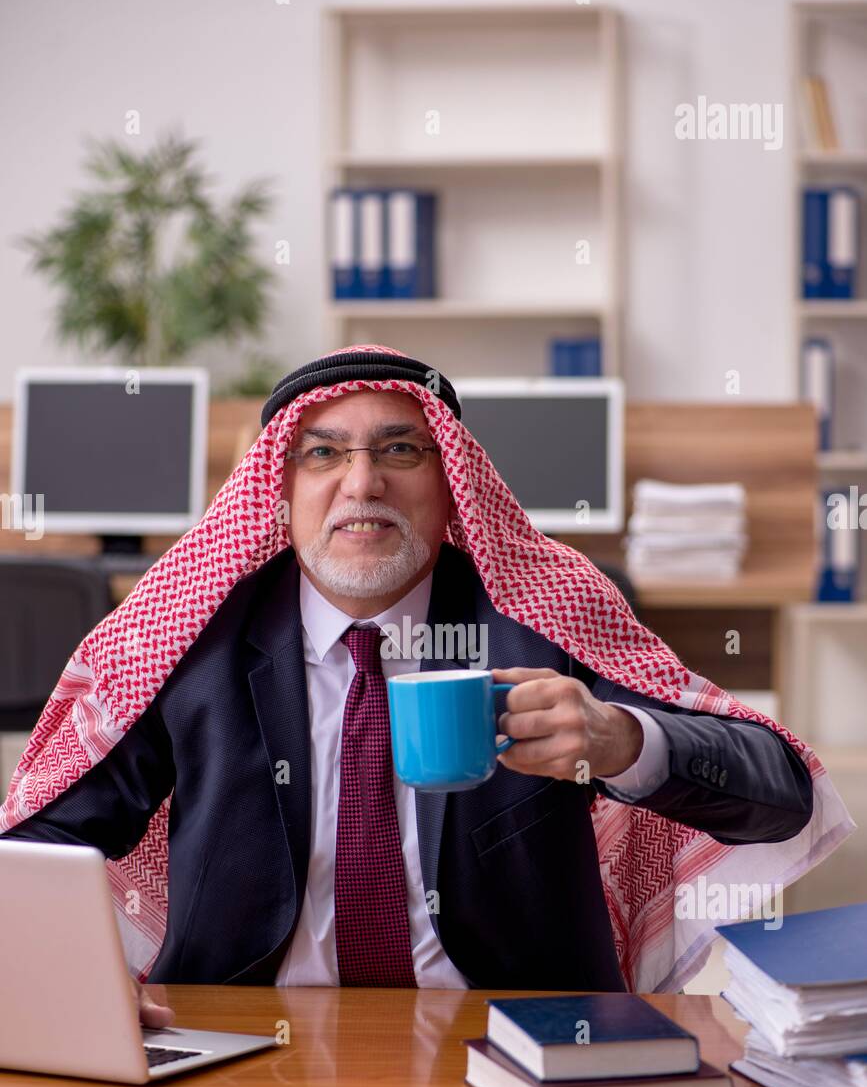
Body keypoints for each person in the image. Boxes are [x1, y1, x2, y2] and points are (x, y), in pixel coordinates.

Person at [0, 346, 851, 1024]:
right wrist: (86, 981)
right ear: (279, 495)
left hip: (520, 1036)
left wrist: (622, 741)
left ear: (454, 487)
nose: (360, 482)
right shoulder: (200, 634)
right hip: (240, 1035)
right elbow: (37, 849)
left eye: (399, 450)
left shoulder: (542, 615)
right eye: (322, 454)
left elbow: (777, 791)